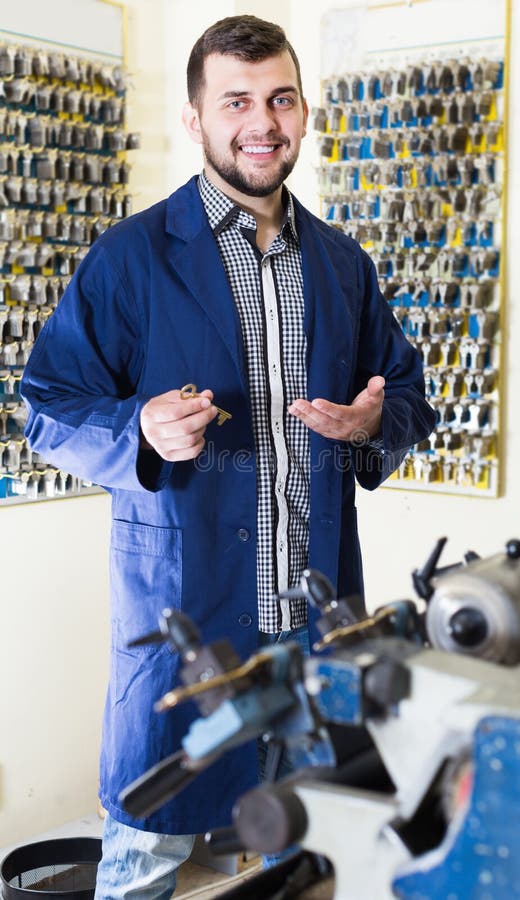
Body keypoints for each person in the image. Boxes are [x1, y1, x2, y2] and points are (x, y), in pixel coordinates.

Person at [21, 14, 436, 899]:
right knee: (142, 862)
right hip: (189, 627)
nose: (263, 121)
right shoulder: (132, 259)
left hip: (313, 625)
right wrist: (138, 429)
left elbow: (406, 395)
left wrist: (371, 426)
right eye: (238, 100)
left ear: (305, 112)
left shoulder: (341, 265)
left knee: (311, 857)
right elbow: (46, 407)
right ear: (196, 118)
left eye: (281, 98)